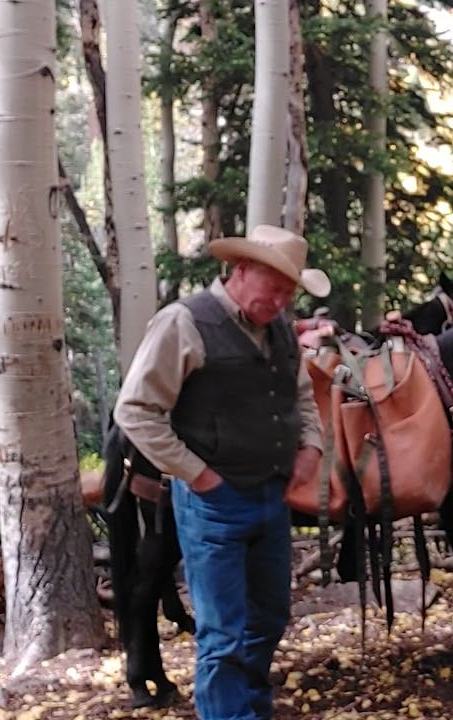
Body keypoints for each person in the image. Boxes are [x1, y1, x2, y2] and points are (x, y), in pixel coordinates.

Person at [114, 225, 330, 720]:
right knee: (223, 635)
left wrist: (312, 446)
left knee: (269, 619)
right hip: (212, 504)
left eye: (287, 292)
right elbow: (136, 411)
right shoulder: (184, 323)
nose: (278, 301)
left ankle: (249, 711)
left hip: (271, 499)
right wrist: (196, 474)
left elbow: (300, 395)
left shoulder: (279, 329)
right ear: (240, 269)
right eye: (271, 288)